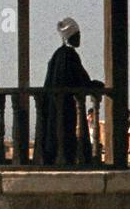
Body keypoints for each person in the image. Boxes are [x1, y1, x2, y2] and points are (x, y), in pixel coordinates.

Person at [34, 17, 103, 164]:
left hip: (56, 105)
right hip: (65, 105)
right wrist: (93, 85)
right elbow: (78, 79)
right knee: (65, 132)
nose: (79, 38)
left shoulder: (58, 55)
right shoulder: (68, 55)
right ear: (71, 37)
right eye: (77, 35)